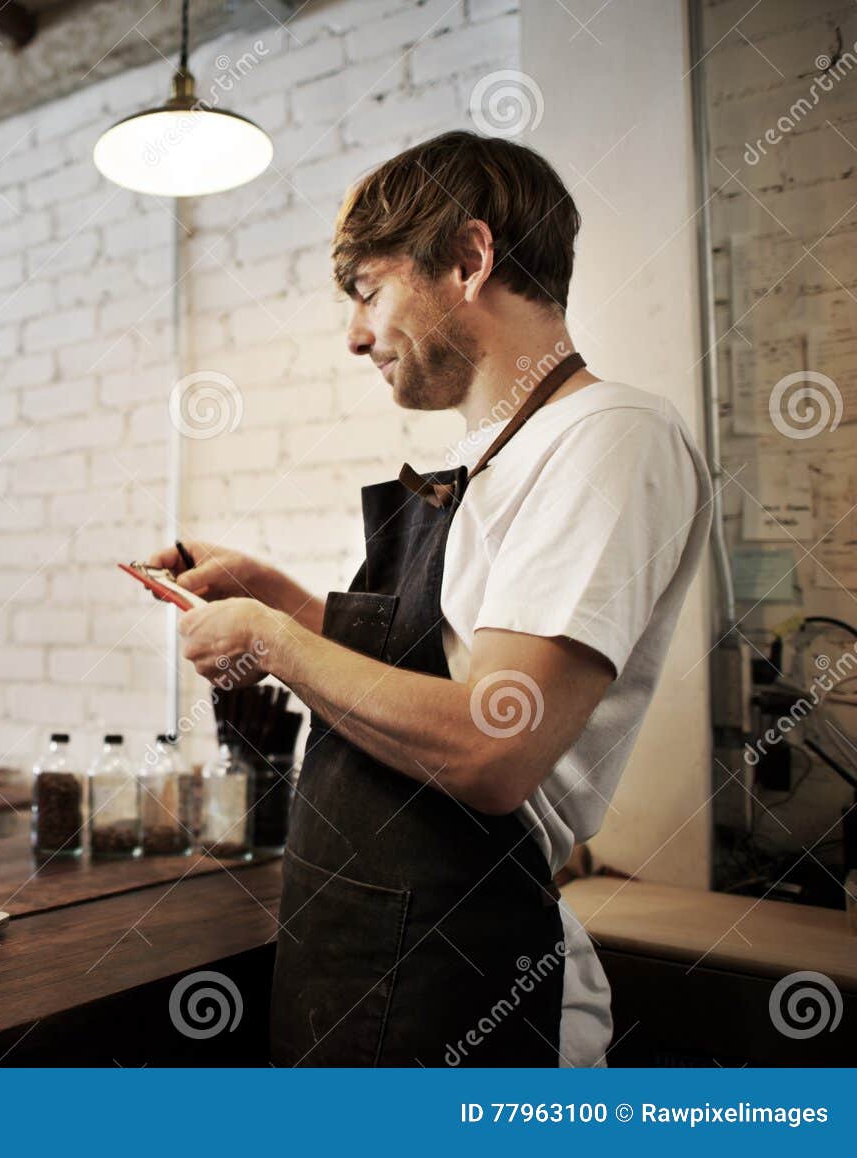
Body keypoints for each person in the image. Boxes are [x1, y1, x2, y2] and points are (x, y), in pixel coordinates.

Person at [153, 131, 709, 1067]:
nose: (356, 335)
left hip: (471, 979)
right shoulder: (498, 458)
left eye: (367, 291)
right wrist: (283, 602)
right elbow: (442, 671)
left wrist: (273, 642)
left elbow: (493, 744)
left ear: (467, 258)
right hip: (367, 957)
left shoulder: (611, 436)